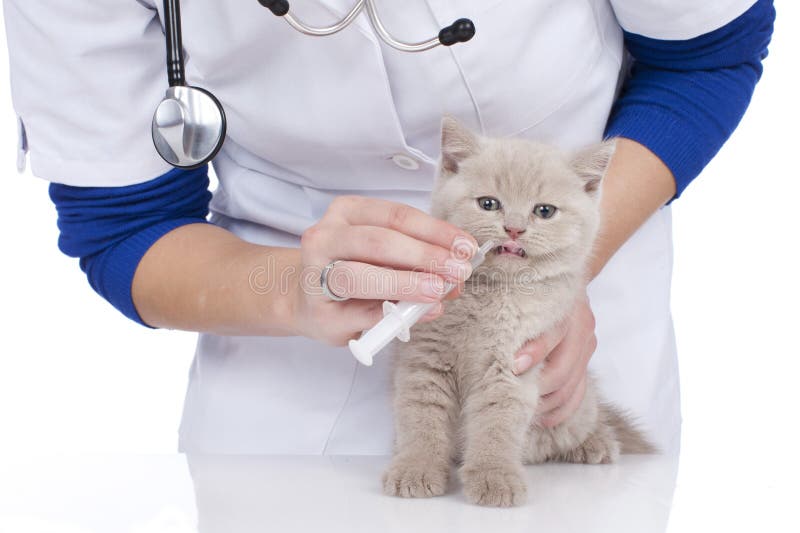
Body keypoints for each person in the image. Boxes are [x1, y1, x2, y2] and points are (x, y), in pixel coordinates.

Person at [4, 0, 774, 455]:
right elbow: (121, 224)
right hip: (282, 423)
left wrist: (557, 275)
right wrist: (289, 289)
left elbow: (706, 56)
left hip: (561, 379)